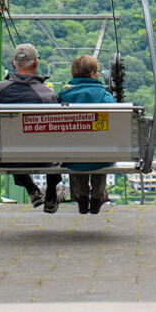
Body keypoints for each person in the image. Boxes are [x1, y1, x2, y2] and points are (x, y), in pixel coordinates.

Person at [0, 43, 64, 213]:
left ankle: (32, 189)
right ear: (36, 63)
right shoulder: (46, 95)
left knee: (9, 142)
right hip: (44, 156)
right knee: (53, 142)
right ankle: (50, 194)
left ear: (13, 64)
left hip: (7, 155)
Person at [58, 55, 115, 214]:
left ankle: (82, 196)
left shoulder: (64, 96)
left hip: (72, 153)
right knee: (100, 151)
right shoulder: (105, 96)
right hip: (100, 153)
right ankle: (97, 196)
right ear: (92, 75)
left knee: (78, 152)